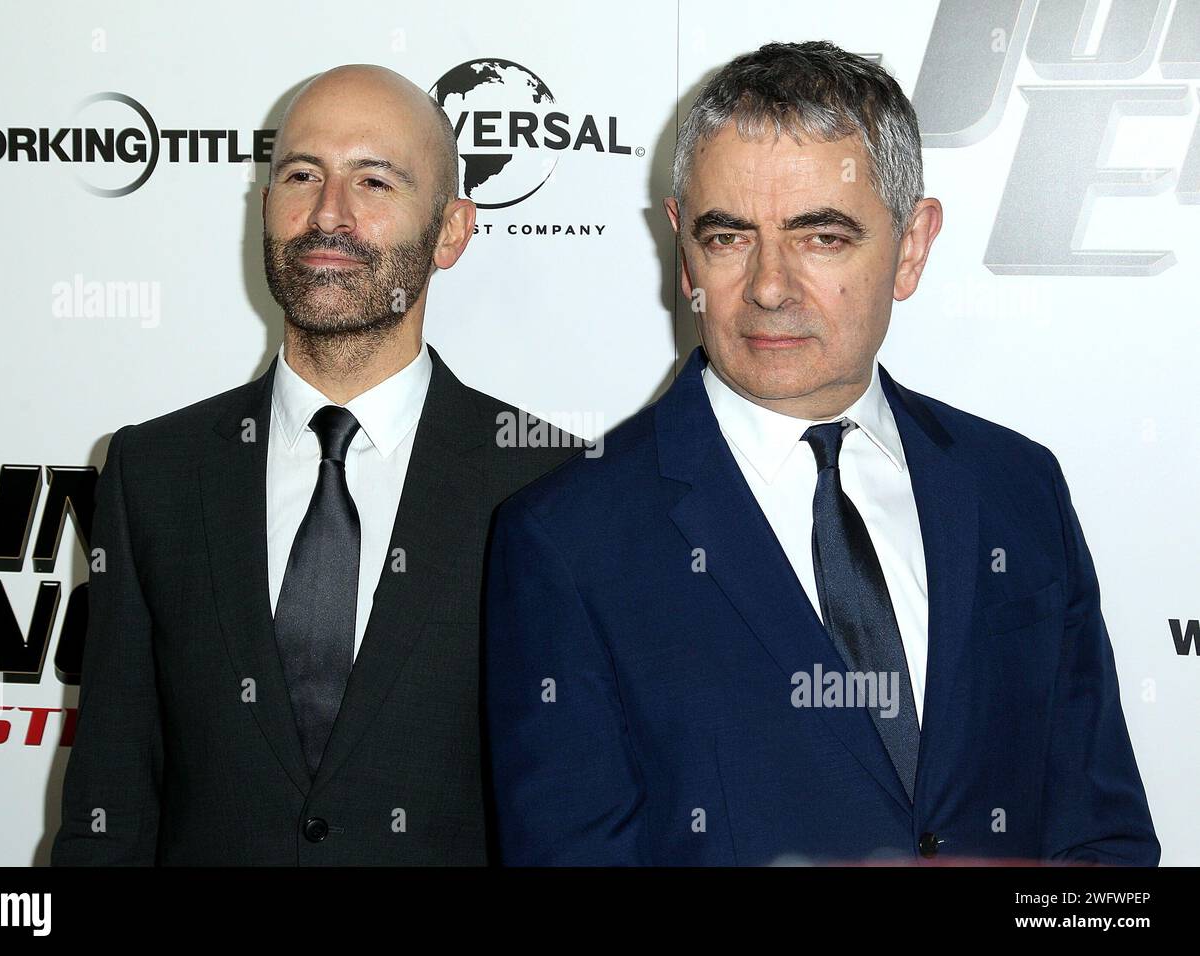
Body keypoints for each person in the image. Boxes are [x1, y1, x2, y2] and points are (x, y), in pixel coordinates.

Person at [483, 41, 1160, 866]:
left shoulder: (1017, 486)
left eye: (821, 237)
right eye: (728, 237)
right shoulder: (569, 540)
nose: (769, 286)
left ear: (911, 247)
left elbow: (1103, 840)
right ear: (681, 245)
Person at [53, 65, 574, 865]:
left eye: (374, 180)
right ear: (264, 208)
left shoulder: (549, 486)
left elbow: (573, 816)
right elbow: (110, 807)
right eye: (302, 175)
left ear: (451, 231)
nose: (329, 214)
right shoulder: (153, 472)